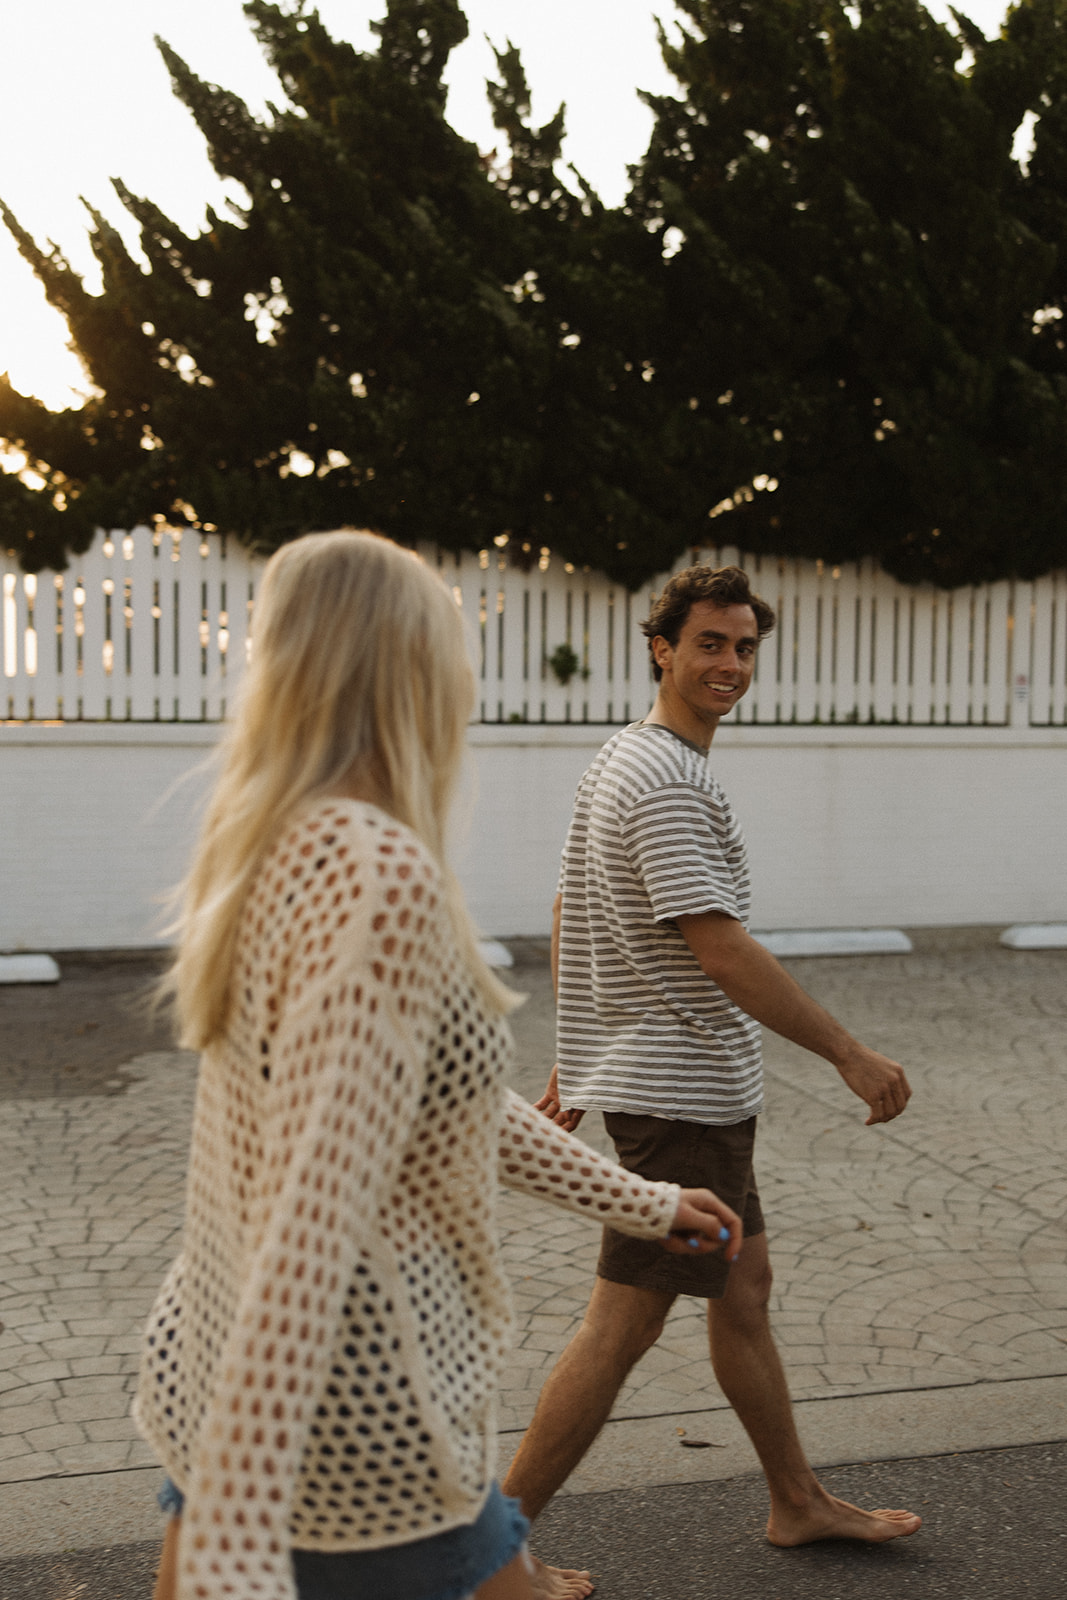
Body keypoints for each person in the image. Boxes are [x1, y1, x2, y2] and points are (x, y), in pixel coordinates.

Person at [135, 530, 743, 1600]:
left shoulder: (277, 840)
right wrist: (237, 1540)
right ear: (409, 666)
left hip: (222, 1367)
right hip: (356, 1407)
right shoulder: (379, 875)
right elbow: (312, 1214)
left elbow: (435, 1104)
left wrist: (640, 1199)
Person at [501, 563, 922, 1600]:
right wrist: (846, 1052)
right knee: (624, 1322)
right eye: (708, 643)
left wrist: (580, 1054)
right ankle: (486, 1553)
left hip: (675, 1085)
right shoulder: (664, 780)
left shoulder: (623, 760)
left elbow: (571, 906)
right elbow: (719, 948)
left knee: (742, 1288)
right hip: (681, 1096)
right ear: (661, 646)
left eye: (742, 646)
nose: (728, 664)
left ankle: (794, 1500)